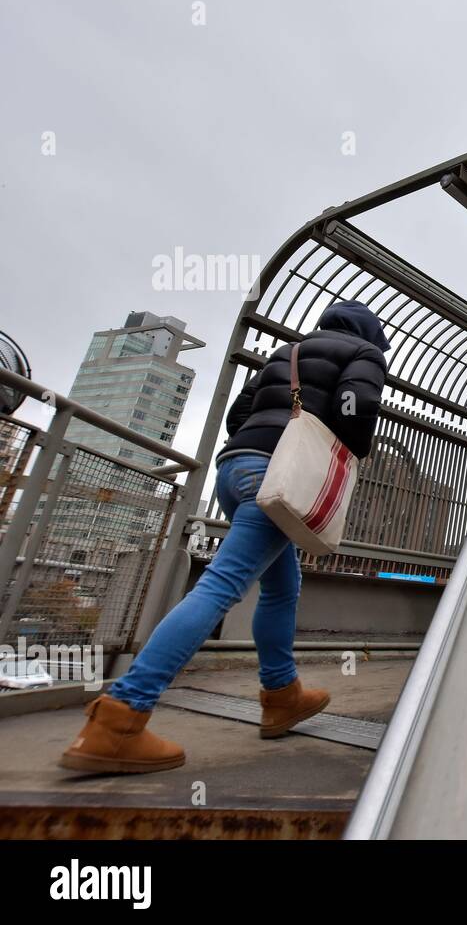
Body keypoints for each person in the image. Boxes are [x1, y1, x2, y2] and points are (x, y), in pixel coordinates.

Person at [60, 301, 390, 774]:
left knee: (281, 587)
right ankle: (120, 719)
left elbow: (240, 414)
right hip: (278, 475)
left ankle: (281, 695)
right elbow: (356, 405)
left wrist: (263, 439)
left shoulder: (288, 351)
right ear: (372, 334)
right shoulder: (366, 353)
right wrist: (354, 448)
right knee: (222, 586)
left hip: (235, 468)